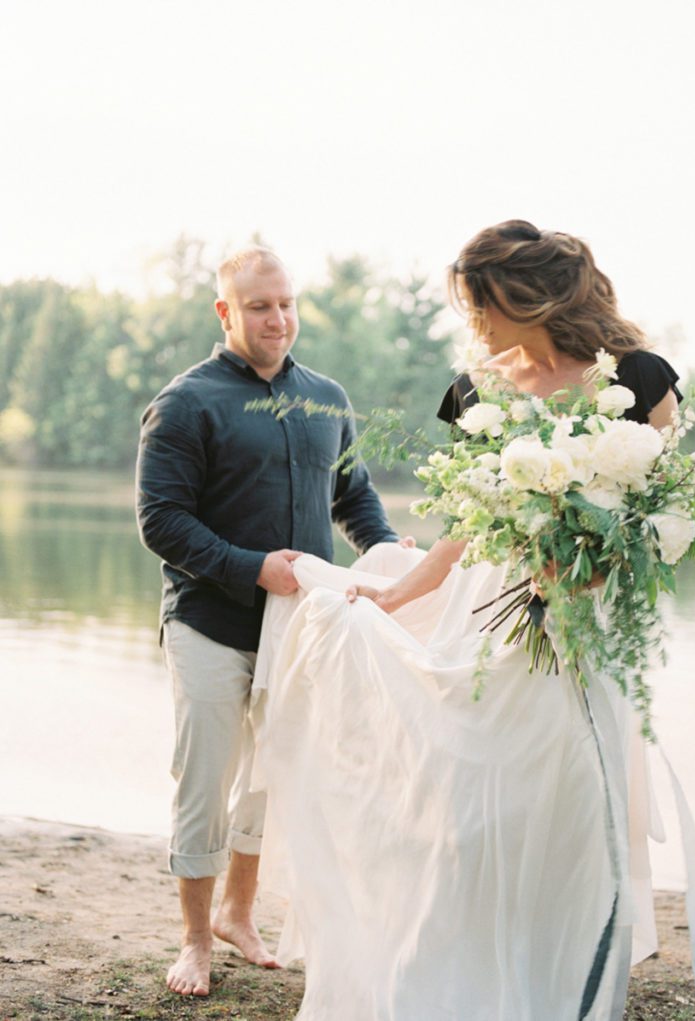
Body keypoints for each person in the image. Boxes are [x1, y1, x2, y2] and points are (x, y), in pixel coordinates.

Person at [253, 221, 686, 1019]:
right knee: (466, 794)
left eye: (482, 303)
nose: (473, 321)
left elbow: (666, 518)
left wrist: (590, 562)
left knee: (569, 805)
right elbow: (464, 522)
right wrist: (398, 591)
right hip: (489, 615)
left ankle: (559, 981)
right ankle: (438, 974)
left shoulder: (637, 376)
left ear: (532, 298)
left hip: (587, 622)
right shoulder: (475, 389)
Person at [135, 246, 404, 997]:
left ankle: (238, 914)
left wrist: (385, 555)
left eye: (285, 302)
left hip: (300, 627)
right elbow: (160, 520)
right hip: (209, 622)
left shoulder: (325, 396)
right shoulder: (187, 403)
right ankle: (194, 940)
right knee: (206, 780)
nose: (278, 318)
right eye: (260, 306)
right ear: (226, 312)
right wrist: (253, 566)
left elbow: (353, 497)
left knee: (269, 779)